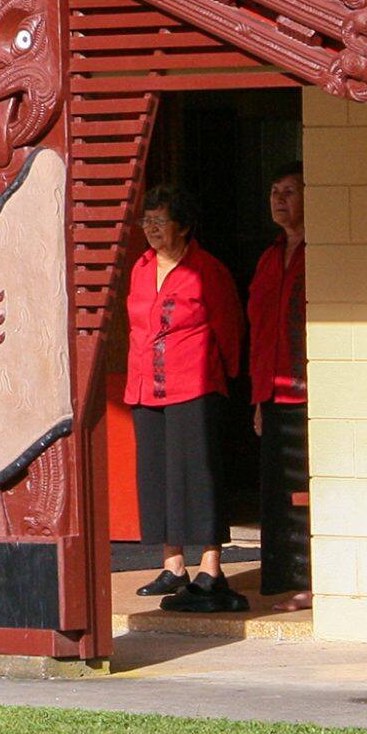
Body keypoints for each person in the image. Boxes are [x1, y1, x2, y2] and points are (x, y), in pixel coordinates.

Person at [125, 184, 248, 614]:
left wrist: (232, 381)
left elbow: (230, 326)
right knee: (156, 475)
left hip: (194, 383)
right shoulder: (140, 268)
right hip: (145, 384)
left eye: (160, 221)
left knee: (197, 474)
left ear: (184, 226)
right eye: (147, 221)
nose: (152, 229)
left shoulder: (206, 269)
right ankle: (172, 564)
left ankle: (211, 565)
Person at [251, 165, 312, 605]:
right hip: (272, 391)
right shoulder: (270, 255)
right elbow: (257, 327)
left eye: (289, 191)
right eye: (274, 191)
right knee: (276, 493)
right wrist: (257, 398)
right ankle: (281, 578)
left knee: (308, 491)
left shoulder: (321, 251)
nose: (279, 199)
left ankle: (312, 581)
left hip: (310, 393)